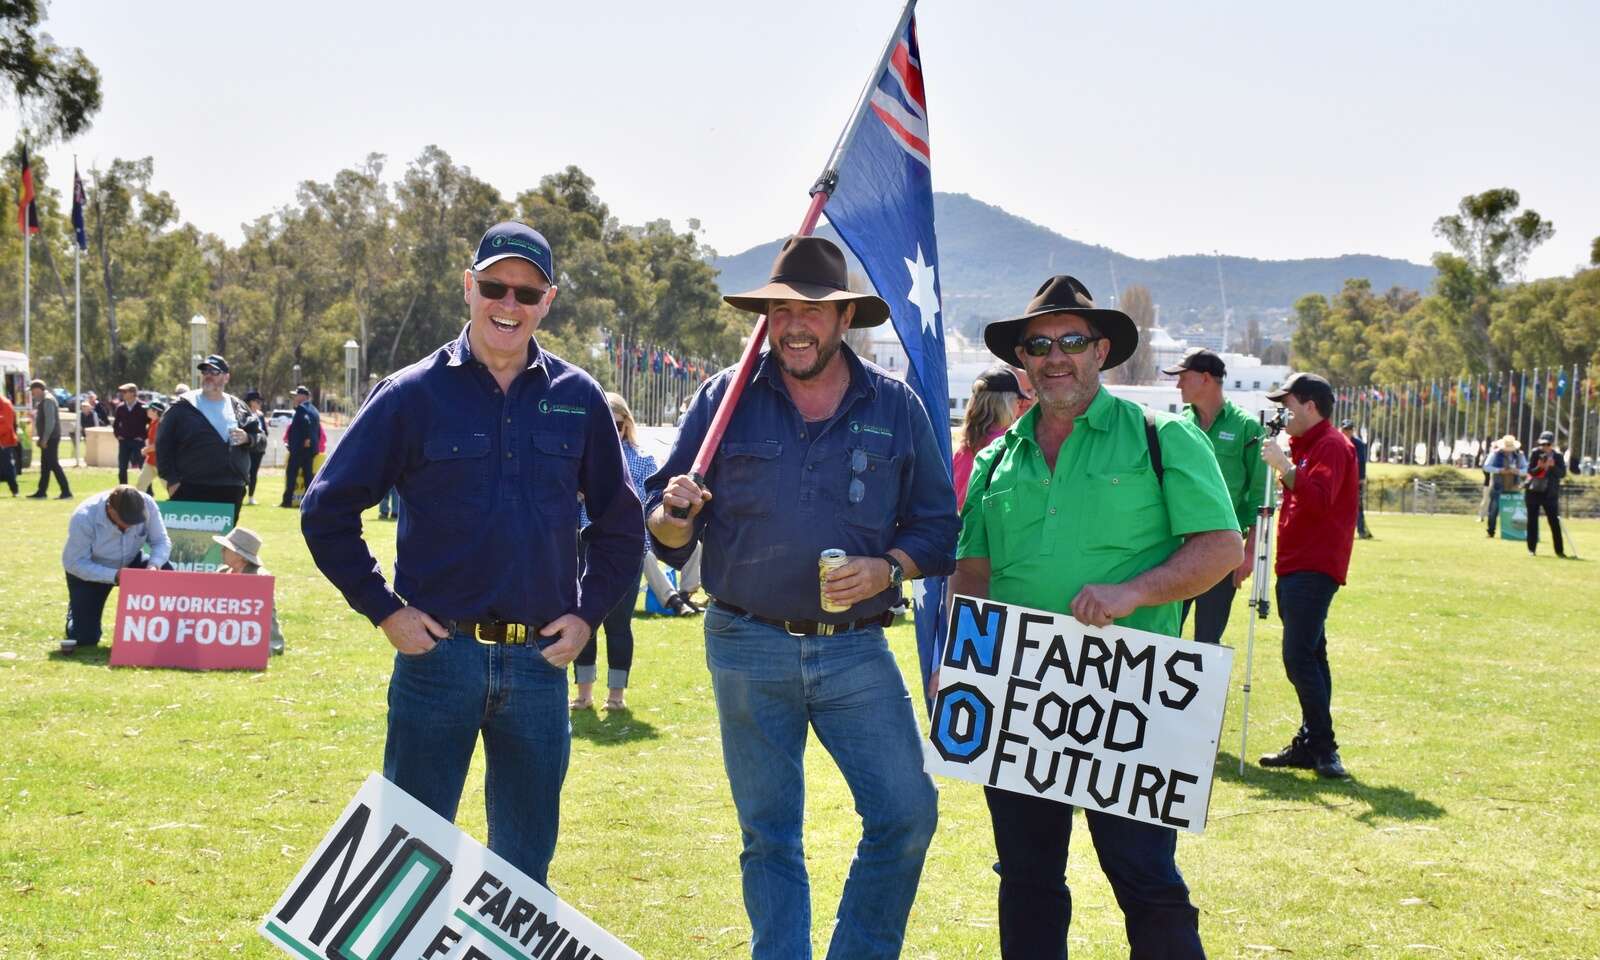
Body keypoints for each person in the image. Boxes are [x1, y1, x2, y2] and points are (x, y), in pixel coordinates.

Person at [301, 220, 643, 886]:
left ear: (547, 301)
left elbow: (621, 524)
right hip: (438, 662)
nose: (508, 305)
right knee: (405, 861)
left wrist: (589, 614)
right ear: (469, 287)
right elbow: (326, 510)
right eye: (494, 287)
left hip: (541, 667)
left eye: (526, 292)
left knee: (523, 872)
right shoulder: (411, 394)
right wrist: (384, 611)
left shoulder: (579, 400)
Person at [646, 235, 957, 959]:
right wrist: (674, 513)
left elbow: (940, 526)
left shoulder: (896, 406)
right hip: (745, 642)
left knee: (907, 813)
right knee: (768, 833)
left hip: (856, 649)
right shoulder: (724, 399)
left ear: (845, 319)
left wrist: (889, 567)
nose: (795, 324)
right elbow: (665, 534)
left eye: (813, 312)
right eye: (782, 309)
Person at [952, 275, 1242, 959]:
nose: (1055, 356)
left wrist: (1134, 592)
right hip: (1020, 697)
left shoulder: (1161, 436)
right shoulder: (995, 458)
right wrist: (961, 660)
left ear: (1102, 349)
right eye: (1038, 344)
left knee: (1144, 879)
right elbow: (973, 573)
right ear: (1022, 358)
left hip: (1130, 700)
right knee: (1026, 880)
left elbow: (1222, 549)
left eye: (1072, 340)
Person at [1258, 372, 1358, 779]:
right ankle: (1312, 742)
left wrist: (1283, 465)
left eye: (1290, 405)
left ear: (1310, 406)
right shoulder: (1307, 445)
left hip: (1314, 565)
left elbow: (1318, 499)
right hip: (1298, 562)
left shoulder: (1332, 445)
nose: (1285, 413)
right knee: (1312, 655)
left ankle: (1323, 744)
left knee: (1298, 656)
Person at [1164, 346, 1267, 645]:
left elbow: (1260, 494)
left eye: (1183, 376)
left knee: (1207, 640)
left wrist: (1248, 554)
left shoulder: (1247, 427)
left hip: (1223, 551)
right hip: (1175, 549)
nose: (1178, 384)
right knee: (1167, 635)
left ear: (1206, 378)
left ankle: (1204, 694)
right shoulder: (1176, 426)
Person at [572, 392, 655, 711]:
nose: (612, 430)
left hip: (626, 550)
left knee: (619, 625)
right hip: (582, 543)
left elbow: (647, 506)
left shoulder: (643, 460)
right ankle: (583, 693)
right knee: (582, 618)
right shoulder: (579, 455)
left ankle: (616, 696)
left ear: (627, 425)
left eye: (618, 424)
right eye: (606, 422)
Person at [58, 485, 171, 654]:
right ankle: (76, 611)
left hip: (132, 559)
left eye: (134, 521)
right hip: (92, 570)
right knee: (85, 638)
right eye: (125, 520)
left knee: (168, 574)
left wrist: (154, 566)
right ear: (110, 509)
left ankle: (170, 630)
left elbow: (161, 541)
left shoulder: (148, 504)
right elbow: (74, 563)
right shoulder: (84, 517)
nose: (129, 525)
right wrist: (115, 575)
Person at [155, 355, 260, 523]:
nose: (208, 375)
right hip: (191, 486)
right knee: (188, 546)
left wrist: (248, 438)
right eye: (205, 371)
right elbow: (163, 445)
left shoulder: (238, 406)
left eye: (214, 371)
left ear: (226, 377)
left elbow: (260, 439)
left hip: (230, 488)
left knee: (222, 547)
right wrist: (172, 481)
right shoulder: (183, 405)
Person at [952, 365, 1025, 512]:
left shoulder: (964, 446)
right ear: (1006, 404)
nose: (1021, 406)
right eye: (1018, 400)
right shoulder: (1012, 444)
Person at [214, 526, 284, 654]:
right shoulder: (222, 572)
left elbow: (264, 619)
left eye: (227, 548)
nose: (222, 550)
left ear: (242, 556)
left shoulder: (259, 579)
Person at [1524, 430, 1567, 557]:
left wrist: (1552, 466)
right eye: (1542, 444)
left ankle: (1559, 551)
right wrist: (1540, 467)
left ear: (1552, 444)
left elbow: (1562, 474)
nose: (1544, 447)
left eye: (1547, 444)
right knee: (1532, 522)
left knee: (1554, 522)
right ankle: (1531, 549)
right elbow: (1531, 472)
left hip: (1550, 494)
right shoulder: (1535, 453)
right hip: (1533, 492)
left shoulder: (1558, 456)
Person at [27, 379, 71, 499]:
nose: (32, 393)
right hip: (47, 438)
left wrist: (44, 439)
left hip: (51, 438)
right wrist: (41, 438)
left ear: (38, 389)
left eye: (33, 391)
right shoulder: (43, 400)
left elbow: (50, 423)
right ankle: (41, 491)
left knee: (53, 464)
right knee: (45, 465)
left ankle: (66, 491)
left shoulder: (48, 400)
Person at [281, 385, 320, 507]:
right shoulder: (314, 410)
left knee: (291, 474)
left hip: (300, 449)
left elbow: (306, 423)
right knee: (308, 476)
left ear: (303, 396)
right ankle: (311, 502)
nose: (295, 397)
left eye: (297, 395)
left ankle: (287, 502)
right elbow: (317, 430)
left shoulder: (302, 409)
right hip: (310, 450)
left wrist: (307, 439)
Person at [1482, 435, 1526, 538]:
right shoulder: (1494, 454)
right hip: (1498, 485)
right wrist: (1499, 470)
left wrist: (1518, 471)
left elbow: (1526, 469)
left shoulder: (1520, 455)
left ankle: (1514, 532)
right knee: (1493, 509)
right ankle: (1490, 531)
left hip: (1514, 486)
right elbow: (1486, 467)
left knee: (1515, 509)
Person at [1339, 418, 1373, 539]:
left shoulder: (1358, 444)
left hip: (1354, 479)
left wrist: (1361, 477)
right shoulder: (1337, 441)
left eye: (1349, 429)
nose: (1347, 432)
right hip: (1340, 479)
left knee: (1357, 506)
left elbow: (1362, 462)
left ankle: (1361, 530)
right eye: (1345, 429)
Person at [112, 383, 147, 486]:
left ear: (132, 393)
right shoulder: (120, 408)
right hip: (124, 442)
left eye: (125, 392)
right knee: (122, 468)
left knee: (143, 468)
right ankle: (123, 490)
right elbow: (116, 425)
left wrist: (143, 436)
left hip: (138, 443)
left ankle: (148, 492)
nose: (122, 394)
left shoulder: (143, 407)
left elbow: (152, 423)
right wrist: (118, 435)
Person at [242, 390, 269, 505]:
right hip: (247, 449)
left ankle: (251, 496)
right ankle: (240, 494)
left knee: (254, 473)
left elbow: (266, 432)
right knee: (244, 473)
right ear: (251, 402)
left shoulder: (261, 415)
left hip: (259, 450)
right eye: (257, 401)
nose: (259, 404)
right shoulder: (243, 414)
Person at [136, 401, 165, 494]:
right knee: (141, 485)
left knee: (170, 487)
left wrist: (146, 449)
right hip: (151, 461)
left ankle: (180, 505)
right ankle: (138, 506)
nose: (147, 411)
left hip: (161, 462)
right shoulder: (153, 423)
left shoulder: (160, 425)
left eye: (149, 409)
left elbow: (159, 445)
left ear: (156, 411)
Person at [0, 390, 19, 496]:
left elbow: (6, 425)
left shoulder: (5, 404)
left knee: (7, 466)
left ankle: (14, 489)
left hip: (4, 442)